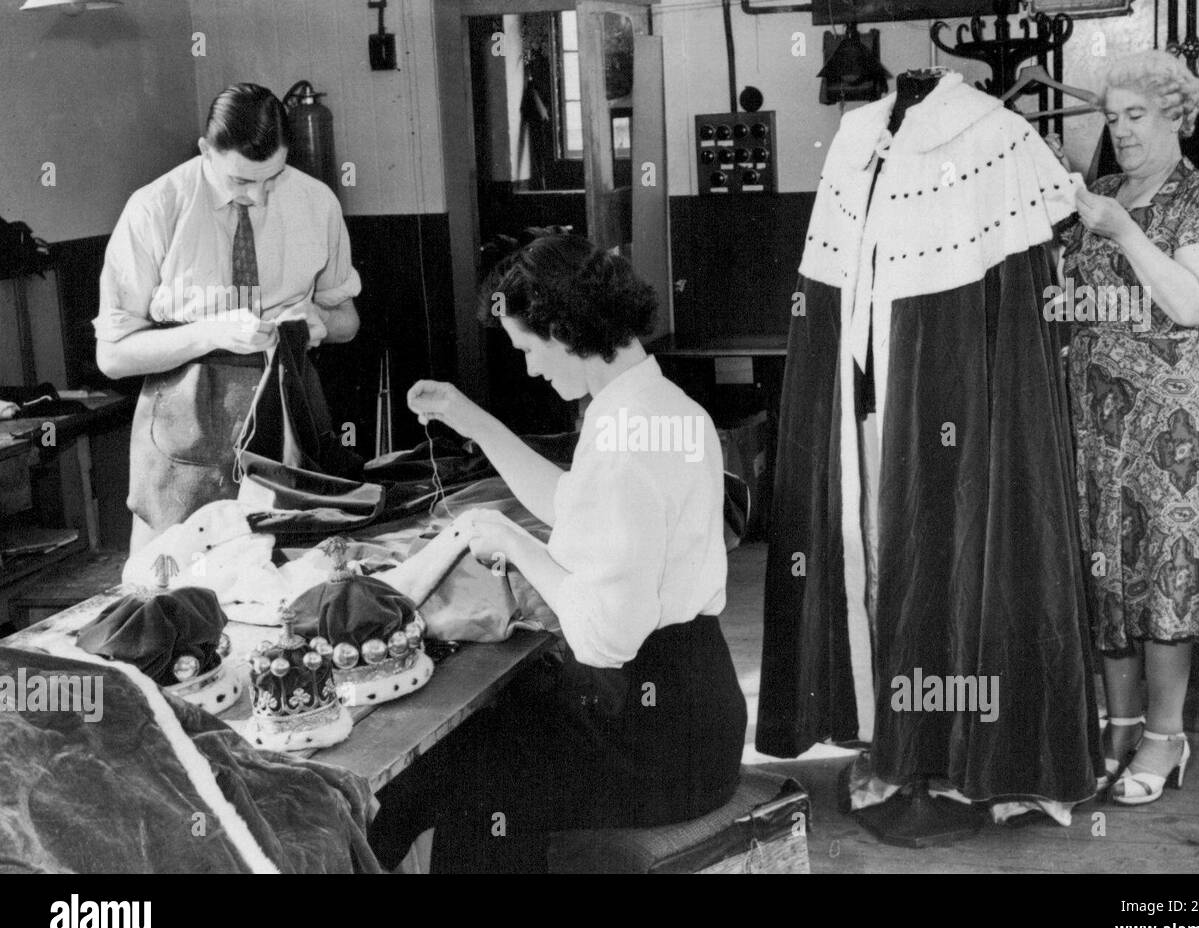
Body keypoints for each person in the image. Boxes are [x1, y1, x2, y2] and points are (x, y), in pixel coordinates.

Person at [369, 234, 747, 872]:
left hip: (658, 744)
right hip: (695, 710)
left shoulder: (626, 442)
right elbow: (575, 503)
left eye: (527, 348)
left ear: (563, 327)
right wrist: (473, 420)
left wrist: (513, 543)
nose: (530, 369)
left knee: (473, 779)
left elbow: (605, 641)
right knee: (464, 758)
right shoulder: (657, 406)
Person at [1062, 50, 1199, 806]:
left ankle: (1166, 739)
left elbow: (1193, 304)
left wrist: (1124, 232)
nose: (1122, 131)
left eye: (1137, 115)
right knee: (1109, 571)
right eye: (1112, 118)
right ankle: (1119, 725)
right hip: (1096, 419)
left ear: (1176, 115)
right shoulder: (1096, 193)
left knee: (1167, 569)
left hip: (1174, 421)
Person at [94, 83, 361, 550]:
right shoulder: (155, 207)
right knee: (173, 588)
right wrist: (209, 333)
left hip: (290, 407)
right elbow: (113, 357)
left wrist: (319, 319)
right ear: (205, 152)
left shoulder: (318, 203)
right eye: (240, 181)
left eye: (271, 177)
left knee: (297, 576)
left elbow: (348, 322)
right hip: (184, 426)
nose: (257, 195)